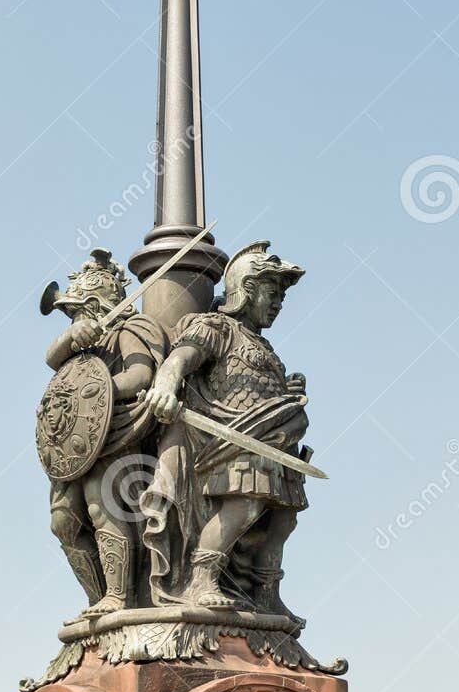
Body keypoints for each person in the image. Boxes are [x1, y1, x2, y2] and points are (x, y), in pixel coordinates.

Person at [143, 241, 308, 615]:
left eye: (282, 293)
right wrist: (165, 386)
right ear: (246, 289)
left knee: (283, 520)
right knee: (243, 507)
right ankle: (203, 578)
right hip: (234, 442)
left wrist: (289, 392)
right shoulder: (217, 327)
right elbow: (179, 359)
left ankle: (266, 590)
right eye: (273, 290)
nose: (279, 301)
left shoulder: (263, 346)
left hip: (276, 445)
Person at [39, 249, 166, 615]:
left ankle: (119, 596)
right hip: (76, 443)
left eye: (75, 312)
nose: (71, 320)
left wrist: (93, 393)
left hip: (113, 432)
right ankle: (96, 597)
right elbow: (51, 359)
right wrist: (72, 336)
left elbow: (140, 376)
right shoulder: (79, 348)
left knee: (102, 507)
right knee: (64, 521)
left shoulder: (128, 331)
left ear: (97, 306)